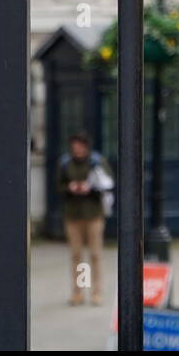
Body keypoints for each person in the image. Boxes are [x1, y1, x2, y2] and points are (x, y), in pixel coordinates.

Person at [57, 132, 114, 307]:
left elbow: (108, 184)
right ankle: (78, 291)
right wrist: (70, 187)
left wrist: (90, 188)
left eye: (80, 146)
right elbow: (59, 186)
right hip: (73, 215)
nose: (77, 150)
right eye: (75, 146)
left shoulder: (97, 162)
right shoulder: (66, 163)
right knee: (76, 255)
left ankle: (96, 292)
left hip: (93, 214)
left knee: (95, 254)